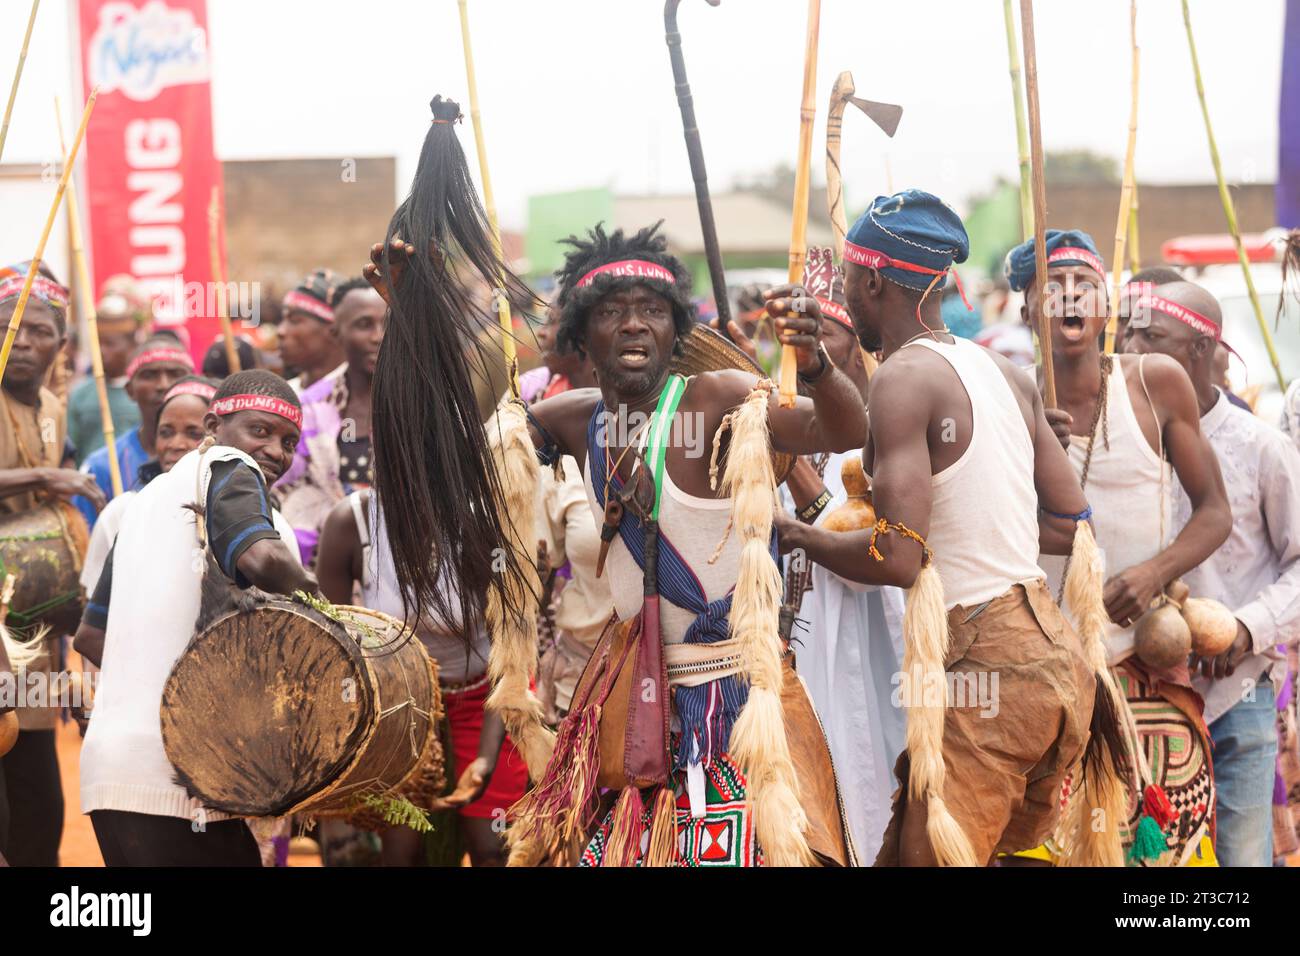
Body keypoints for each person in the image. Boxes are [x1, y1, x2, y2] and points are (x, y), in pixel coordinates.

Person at [370, 218, 867, 866]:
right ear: (581, 334)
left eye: (652, 311)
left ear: (675, 331)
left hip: (739, 704)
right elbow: (452, 454)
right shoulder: (571, 421)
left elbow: (841, 427)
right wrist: (412, 323)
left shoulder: (717, 399)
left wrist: (821, 365)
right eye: (613, 311)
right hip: (632, 704)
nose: (635, 323)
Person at [772, 192, 1099, 867]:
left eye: (847, 285)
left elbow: (896, 559)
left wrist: (798, 534)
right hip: (1051, 655)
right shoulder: (1004, 371)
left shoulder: (902, 379)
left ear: (870, 282)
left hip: (991, 672)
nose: (847, 300)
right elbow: (1070, 525)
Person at [1007, 229, 1232, 865]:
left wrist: (1152, 573)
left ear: (1107, 309)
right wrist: (1032, 450)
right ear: (1026, 310)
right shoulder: (1004, 397)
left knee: (1162, 863)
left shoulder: (1155, 382)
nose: (1069, 298)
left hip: (1147, 664)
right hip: (1046, 677)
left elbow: (1215, 512)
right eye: (1051, 288)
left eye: (1085, 286)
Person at [73, 370, 315, 867]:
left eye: (288, 441)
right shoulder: (228, 466)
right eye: (259, 431)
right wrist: (327, 609)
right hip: (183, 778)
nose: (274, 451)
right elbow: (264, 561)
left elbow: (91, 636)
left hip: (111, 773)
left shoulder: (142, 504)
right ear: (214, 426)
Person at [1125, 279, 1300, 866]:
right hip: (1139, 702)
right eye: (1126, 332)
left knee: (1239, 869)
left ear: (1201, 351)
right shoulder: (1114, 441)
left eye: (1152, 337)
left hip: (1236, 698)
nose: (1130, 346)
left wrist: (1246, 629)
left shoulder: (1260, 447)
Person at [766, 246, 906, 861]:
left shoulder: (884, 427)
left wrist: (805, 489)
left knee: (862, 786)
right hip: (782, 649)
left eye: (820, 335)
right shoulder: (770, 422)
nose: (804, 349)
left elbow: (876, 562)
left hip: (864, 646)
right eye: (795, 337)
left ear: (852, 347)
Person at [315, 488, 529, 866]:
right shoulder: (352, 522)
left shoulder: (485, 519)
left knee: (492, 847)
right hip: (402, 707)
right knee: (402, 852)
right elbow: (332, 653)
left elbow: (512, 655)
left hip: (485, 700)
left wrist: (485, 758)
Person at [0, 262, 106, 866]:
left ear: (60, 344)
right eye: (7, 328)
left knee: (37, 788)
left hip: (30, 626)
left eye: (37, 330)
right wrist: (45, 474)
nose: (20, 341)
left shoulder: (51, 405)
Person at [275, 278, 386, 566]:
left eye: (387, 324)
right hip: (324, 566)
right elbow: (284, 485)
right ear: (337, 333)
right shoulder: (311, 406)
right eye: (364, 325)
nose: (378, 336)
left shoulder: (422, 403)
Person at [79, 376, 219, 598]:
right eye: (166, 433)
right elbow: (94, 616)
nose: (175, 445)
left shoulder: (241, 518)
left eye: (193, 434)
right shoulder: (121, 513)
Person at [75, 336, 195, 528]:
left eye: (175, 373)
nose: (163, 384)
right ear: (130, 390)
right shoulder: (101, 468)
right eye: (150, 375)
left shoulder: (214, 460)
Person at [66, 278, 147, 464]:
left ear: (132, 344)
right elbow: (70, 453)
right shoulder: (80, 394)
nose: (101, 351)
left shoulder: (146, 392)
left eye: (110, 344)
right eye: (98, 342)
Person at [279, 269, 345, 393]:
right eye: (283, 319)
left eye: (295, 320)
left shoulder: (360, 401)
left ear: (333, 330)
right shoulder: (284, 397)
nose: (281, 331)